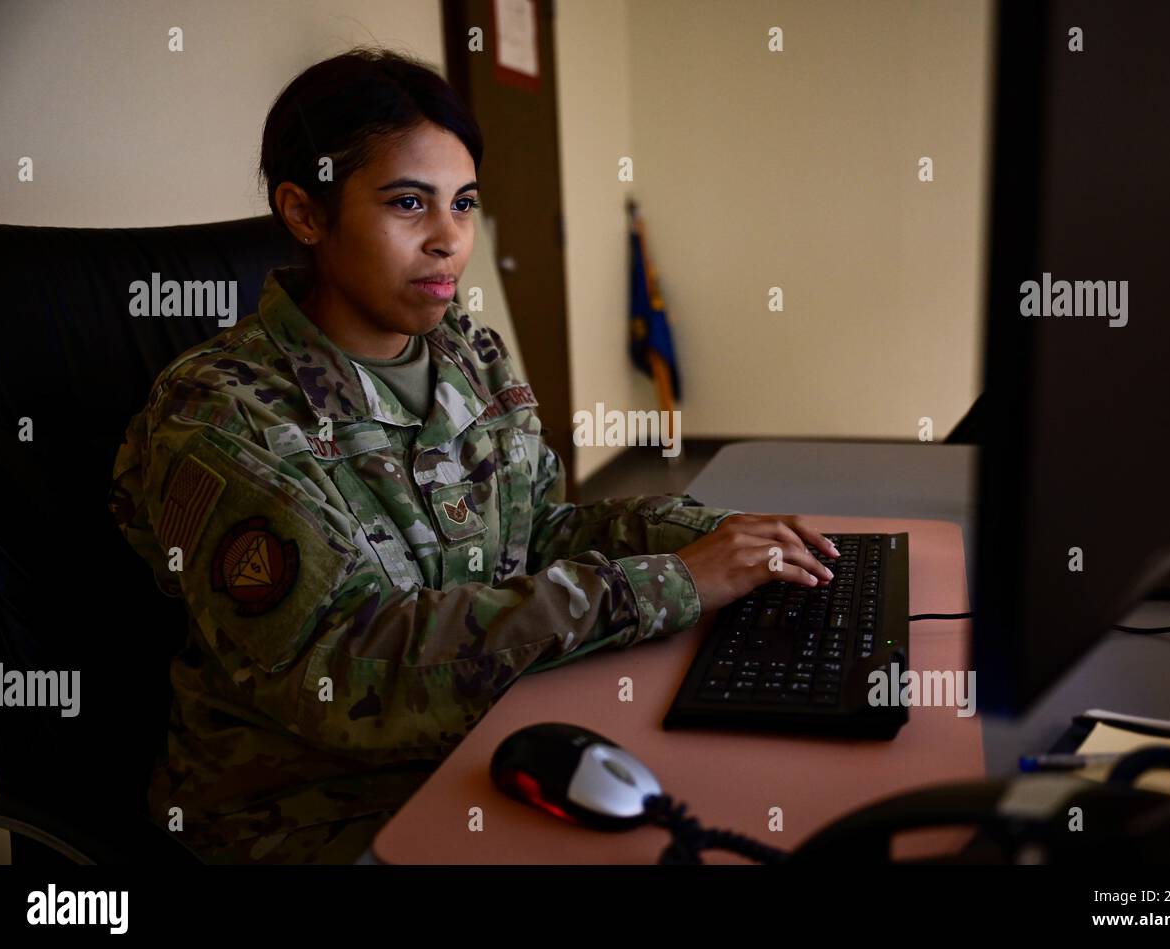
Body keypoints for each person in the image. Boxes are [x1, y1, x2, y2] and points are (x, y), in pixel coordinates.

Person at [109, 47, 837, 864]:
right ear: (307, 214)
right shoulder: (221, 413)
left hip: (492, 732)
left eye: (463, 204)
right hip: (316, 813)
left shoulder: (467, 352)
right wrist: (669, 583)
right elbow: (344, 669)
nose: (449, 240)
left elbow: (542, 532)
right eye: (408, 204)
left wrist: (715, 537)